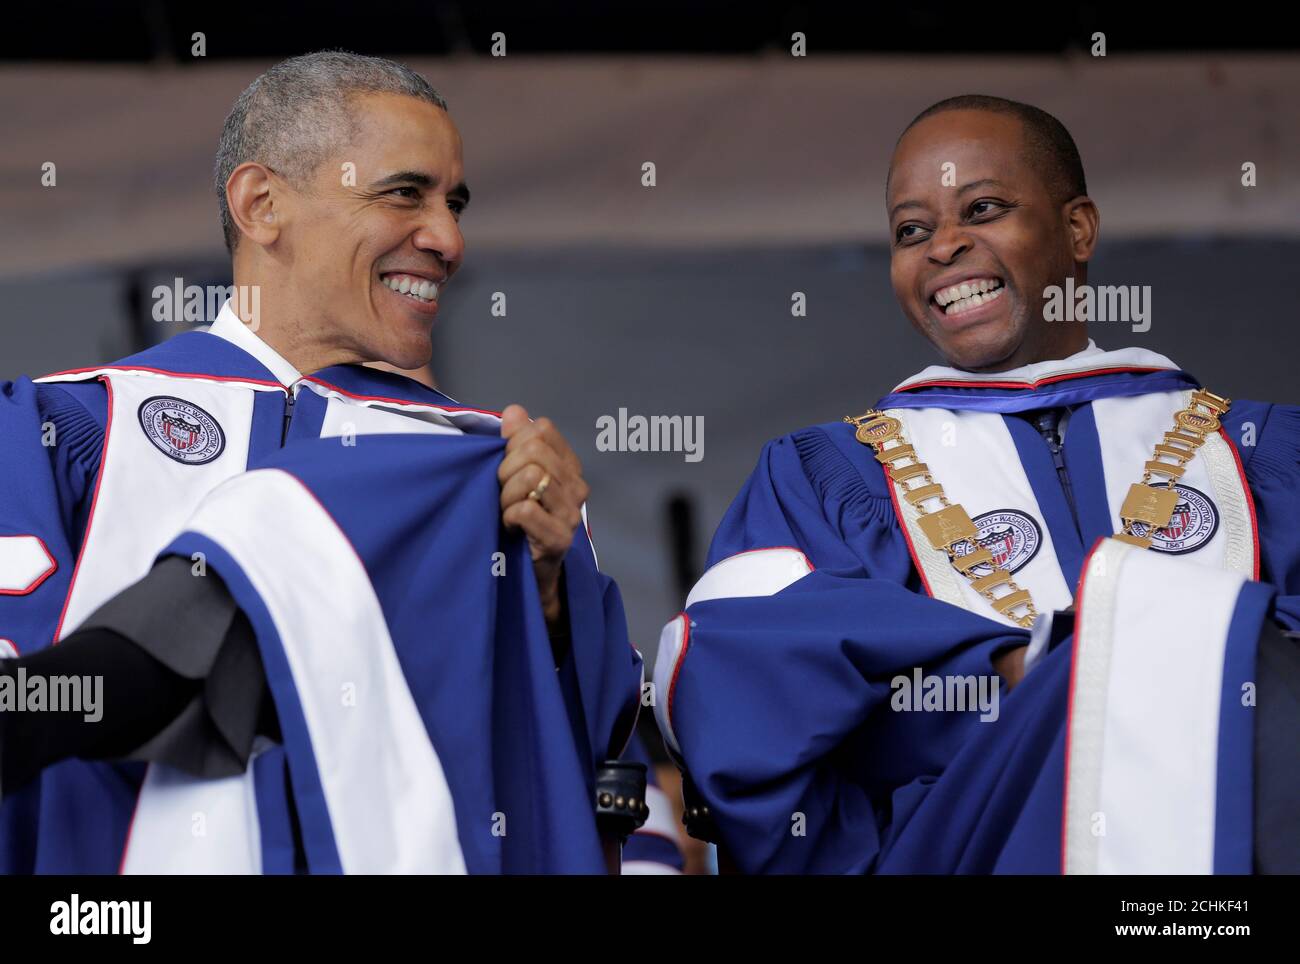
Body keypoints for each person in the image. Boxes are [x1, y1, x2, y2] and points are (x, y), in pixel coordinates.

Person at [0, 50, 641, 873]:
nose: (447, 238)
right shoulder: (68, 423)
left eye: (455, 204)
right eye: (405, 193)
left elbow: (587, 771)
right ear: (262, 204)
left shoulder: (488, 466)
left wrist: (552, 600)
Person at [653, 95, 1300, 874]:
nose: (944, 247)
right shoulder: (828, 475)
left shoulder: (1259, 453)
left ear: (1078, 228)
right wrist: (1002, 670)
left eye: (983, 209)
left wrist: (1156, 654)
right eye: (911, 230)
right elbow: (735, 667)